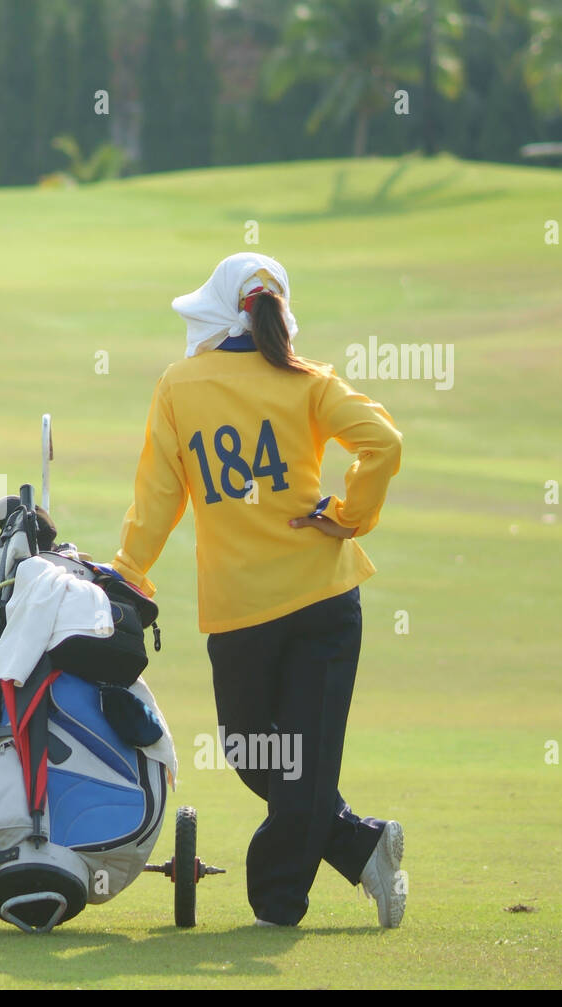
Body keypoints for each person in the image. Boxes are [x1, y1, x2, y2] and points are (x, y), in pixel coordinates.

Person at [111, 252, 406, 929]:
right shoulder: (308, 379)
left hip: (260, 612)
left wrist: (130, 569)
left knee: (267, 756)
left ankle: (276, 907)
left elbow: (159, 496)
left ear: (218, 307)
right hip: (317, 601)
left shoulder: (178, 385)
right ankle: (363, 846)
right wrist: (347, 518)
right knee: (270, 760)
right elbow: (382, 444)